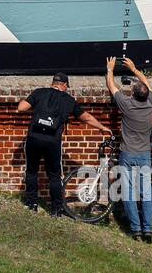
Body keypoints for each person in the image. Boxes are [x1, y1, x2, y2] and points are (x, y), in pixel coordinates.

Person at [16, 72, 109, 218]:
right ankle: (56, 209)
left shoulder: (39, 93)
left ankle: (32, 204)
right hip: (53, 142)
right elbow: (86, 117)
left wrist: (28, 99)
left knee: (31, 171)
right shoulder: (68, 101)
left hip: (34, 138)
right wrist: (101, 127)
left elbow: (21, 108)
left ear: (53, 83)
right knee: (54, 175)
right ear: (64, 85)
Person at [106, 57, 152, 242]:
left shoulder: (127, 105)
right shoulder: (150, 103)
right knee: (146, 193)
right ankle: (148, 230)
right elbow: (147, 84)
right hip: (144, 154)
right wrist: (134, 69)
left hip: (127, 153)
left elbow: (112, 86)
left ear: (133, 94)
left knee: (128, 192)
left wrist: (110, 69)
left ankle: (136, 230)